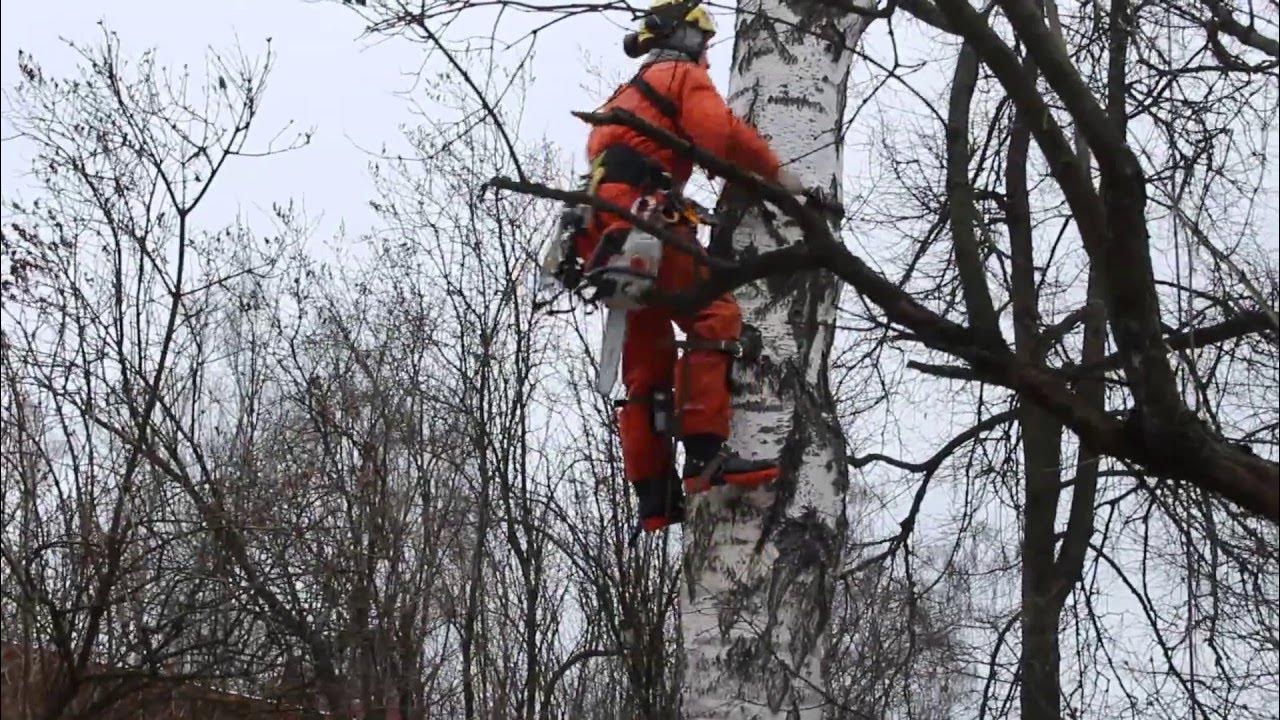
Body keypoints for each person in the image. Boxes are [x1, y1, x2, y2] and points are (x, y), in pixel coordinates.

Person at [580, 0, 805, 533]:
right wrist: (771, 178)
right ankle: (706, 457)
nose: (707, 46)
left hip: (602, 228)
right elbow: (716, 136)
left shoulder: (625, 97)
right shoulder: (681, 75)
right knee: (714, 317)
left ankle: (653, 495)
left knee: (646, 361)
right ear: (683, 36)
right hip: (649, 220)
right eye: (702, 33)